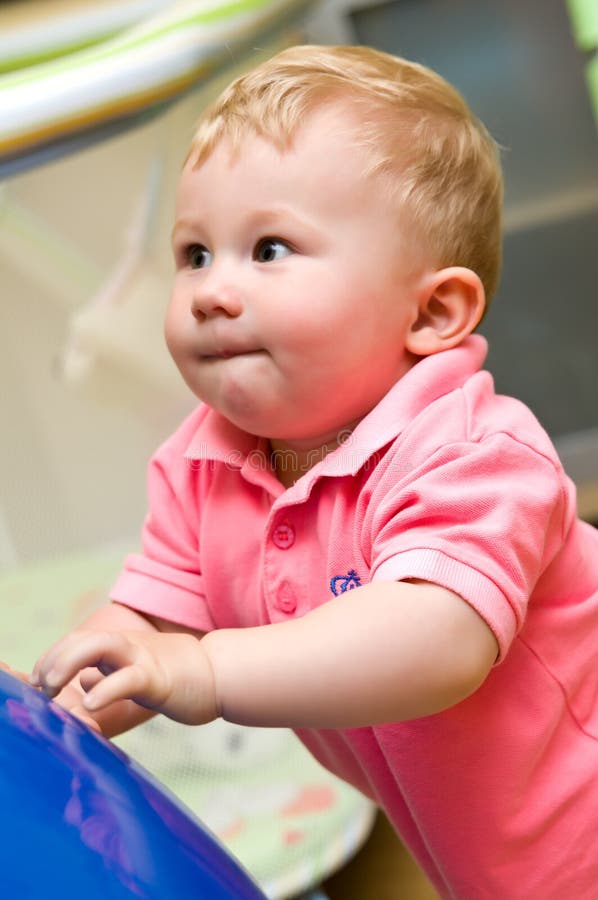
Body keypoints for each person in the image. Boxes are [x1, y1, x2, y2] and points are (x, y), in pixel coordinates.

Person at [27, 45, 598, 897]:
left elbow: (437, 636)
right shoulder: (200, 460)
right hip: (481, 846)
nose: (213, 291)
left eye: (268, 249)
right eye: (193, 254)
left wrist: (209, 674)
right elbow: (159, 619)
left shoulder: (472, 451)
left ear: (433, 310)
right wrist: (85, 685)